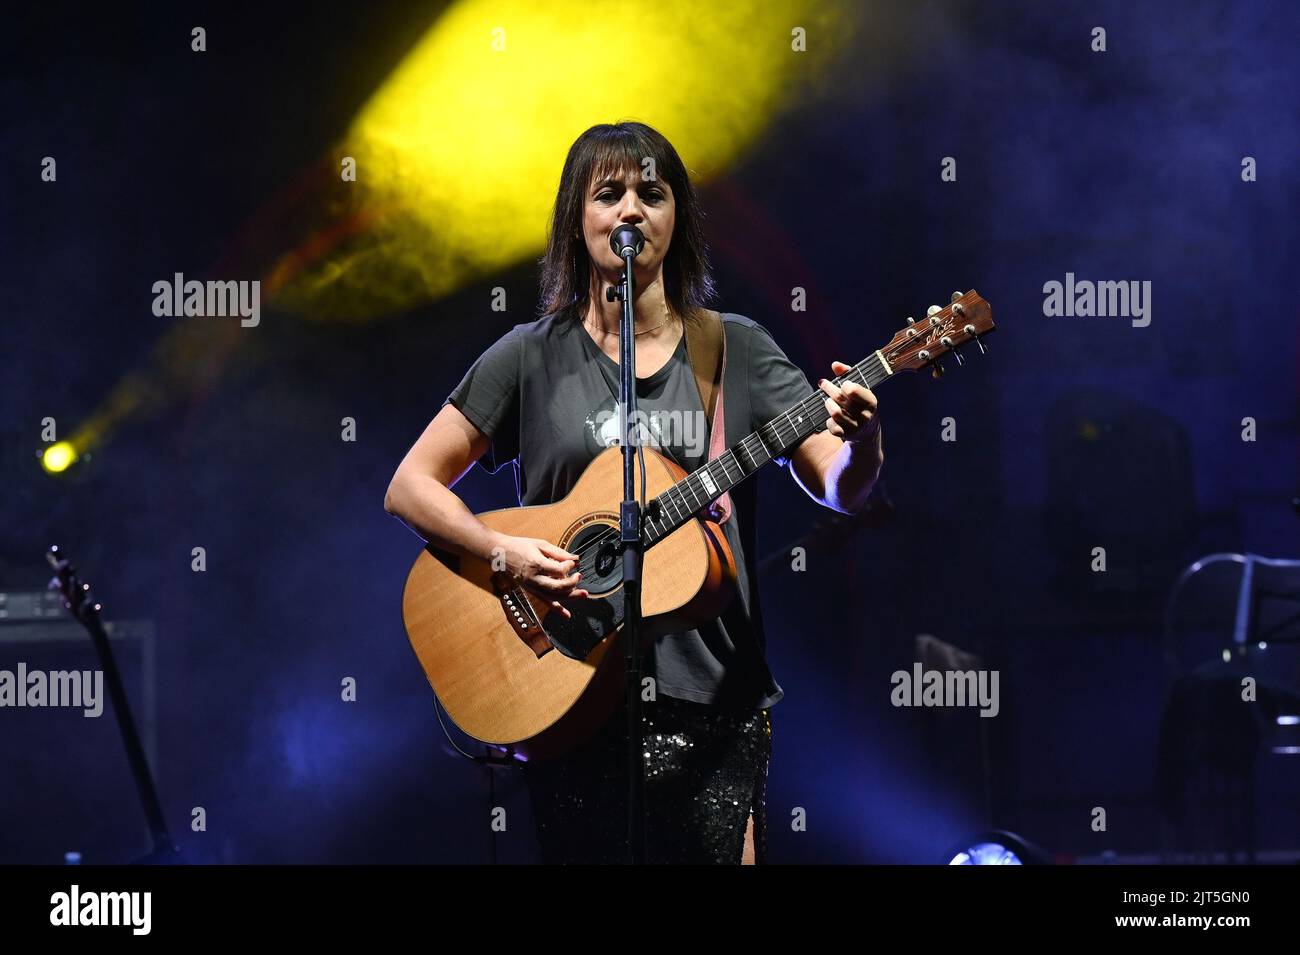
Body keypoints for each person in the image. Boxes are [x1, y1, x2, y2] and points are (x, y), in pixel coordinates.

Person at [384, 121, 883, 864]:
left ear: (676, 217)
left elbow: (838, 487)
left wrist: (864, 439)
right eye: (608, 193)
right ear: (575, 219)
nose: (629, 212)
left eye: (651, 194)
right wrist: (503, 550)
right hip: (569, 693)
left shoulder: (734, 348)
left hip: (715, 701)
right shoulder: (527, 356)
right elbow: (409, 486)